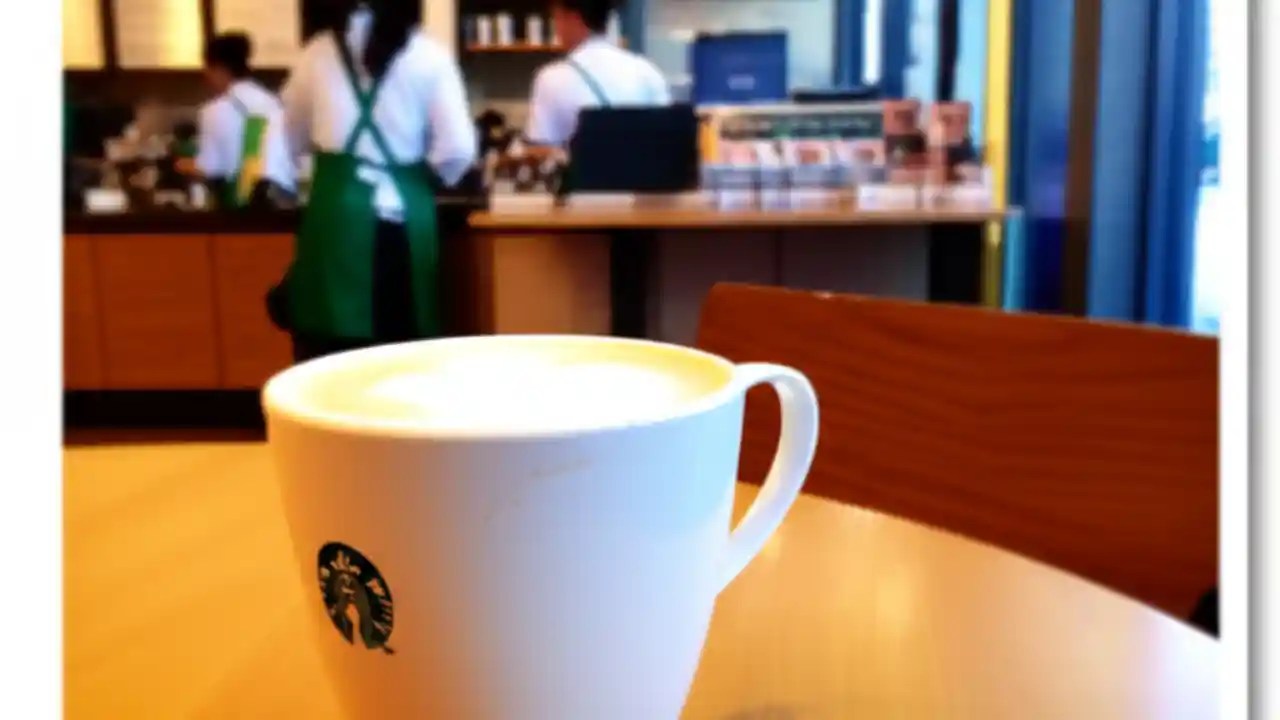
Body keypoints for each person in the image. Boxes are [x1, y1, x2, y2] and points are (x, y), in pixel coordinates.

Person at [278, 0, 477, 363]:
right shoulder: (430, 56)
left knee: (329, 362)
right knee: (402, 360)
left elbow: (286, 139)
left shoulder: (316, 54)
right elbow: (458, 148)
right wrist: (424, 175)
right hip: (403, 226)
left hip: (335, 222)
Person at [525, 0, 670, 149]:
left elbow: (541, 150)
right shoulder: (648, 71)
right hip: (643, 171)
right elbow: (666, 142)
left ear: (573, 18)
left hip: (583, 172)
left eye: (556, 19)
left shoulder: (551, 78)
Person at [190, 33, 294, 207]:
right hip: (282, 205)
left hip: (242, 211)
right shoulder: (273, 102)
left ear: (219, 68)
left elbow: (209, 169)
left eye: (207, 68)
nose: (206, 75)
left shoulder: (213, 111)